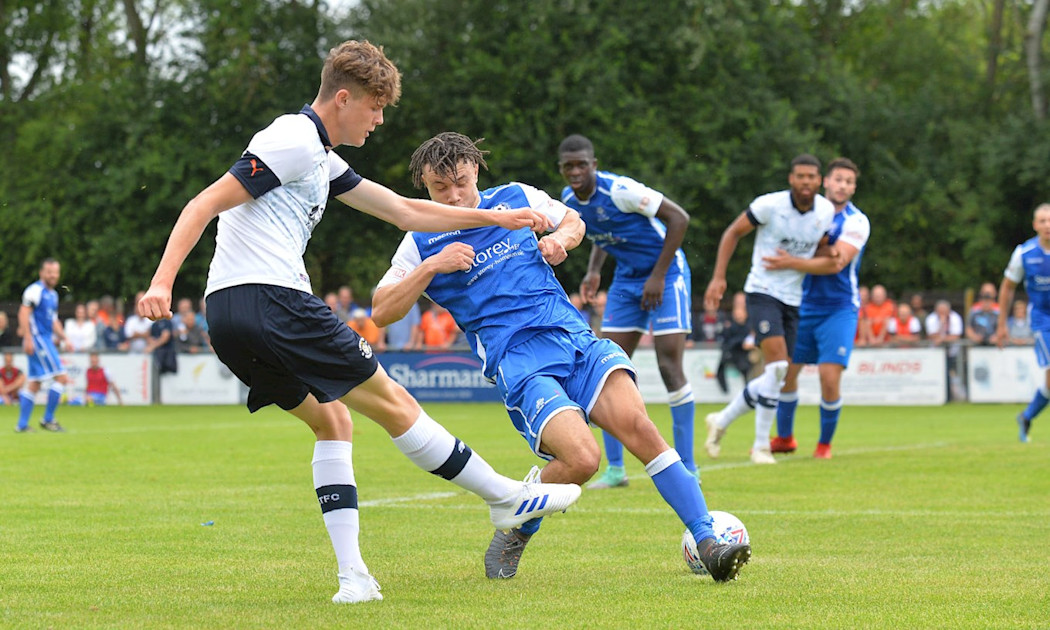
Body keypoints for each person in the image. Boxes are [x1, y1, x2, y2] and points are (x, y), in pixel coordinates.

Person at [135, 41, 581, 605]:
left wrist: (493, 216)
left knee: (333, 423)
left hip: (228, 317)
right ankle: (503, 496)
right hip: (274, 300)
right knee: (394, 403)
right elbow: (203, 203)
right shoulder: (291, 139)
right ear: (343, 99)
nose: (380, 119)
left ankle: (354, 579)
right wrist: (160, 281)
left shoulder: (323, 158)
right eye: (375, 107)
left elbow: (403, 210)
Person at [372, 132, 750, 583]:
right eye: (440, 188)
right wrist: (431, 267)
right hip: (518, 360)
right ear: (426, 188)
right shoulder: (420, 239)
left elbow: (572, 220)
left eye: (460, 182)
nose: (453, 195)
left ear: (476, 170)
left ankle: (708, 541)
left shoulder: (515, 198)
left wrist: (561, 243)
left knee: (641, 429)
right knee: (583, 461)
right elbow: (381, 310)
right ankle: (519, 525)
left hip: (574, 338)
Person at [557, 133, 698, 488]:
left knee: (669, 364)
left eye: (581, 165)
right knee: (605, 368)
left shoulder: (621, 190)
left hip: (666, 274)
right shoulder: (567, 200)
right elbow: (601, 233)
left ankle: (689, 467)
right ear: (561, 169)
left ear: (594, 165)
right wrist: (593, 270)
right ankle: (617, 470)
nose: (575, 171)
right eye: (568, 166)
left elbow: (679, 219)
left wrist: (658, 276)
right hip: (626, 281)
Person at [703, 154, 834, 464]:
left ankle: (721, 420)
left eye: (811, 177)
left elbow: (823, 248)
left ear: (819, 181)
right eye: (800, 176)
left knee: (780, 374)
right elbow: (733, 232)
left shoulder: (826, 212)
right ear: (791, 179)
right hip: (762, 292)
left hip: (794, 299)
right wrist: (719, 276)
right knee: (776, 369)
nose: (806, 182)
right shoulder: (769, 205)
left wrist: (830, 257)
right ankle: (761, 446)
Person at [759, 157, 869, 460]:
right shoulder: (809, 213)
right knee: (785, 374)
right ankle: (784, 438)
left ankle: (824, 445)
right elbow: (811, 248)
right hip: (800, 304)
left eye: (849, 181)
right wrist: (818, 251)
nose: (843, 185)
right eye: (838, 179)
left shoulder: (856, 221)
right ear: (826, 182)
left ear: (854, 187)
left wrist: (792, 260)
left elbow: (837, 263)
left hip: (839, 308)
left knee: (829, 378)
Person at [997, 202, 1050, 443]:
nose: (1047, 225)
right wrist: (1001, 325)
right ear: (1034, 225)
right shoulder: (1024, 254)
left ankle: (1026, 417)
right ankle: (1026, 417)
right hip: (1042, 319)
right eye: (1042, 221)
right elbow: (1008, 288)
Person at [16, 258, 71, 433]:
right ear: (42, 273)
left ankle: (22, 425)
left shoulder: (53, 295)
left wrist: (65, 338)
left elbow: (53, 321)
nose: (53, 275)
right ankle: (48, 419)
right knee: (61, 377)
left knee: (35, 383)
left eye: (55, 272)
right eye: (49, 272)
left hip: (44, 339)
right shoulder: (34, 290)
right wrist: (28, 338)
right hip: (39, 339)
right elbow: (23, 313)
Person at [716, 296, 755, 394]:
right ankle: (725, 391)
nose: (738, 316)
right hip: (730, 352)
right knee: (720, 369)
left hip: (742, 354)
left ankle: (749, 392)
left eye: (740, 314)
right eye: (736, 314)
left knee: (746, 370)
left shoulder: (749, 325)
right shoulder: (729, 325)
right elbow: (724, 338)